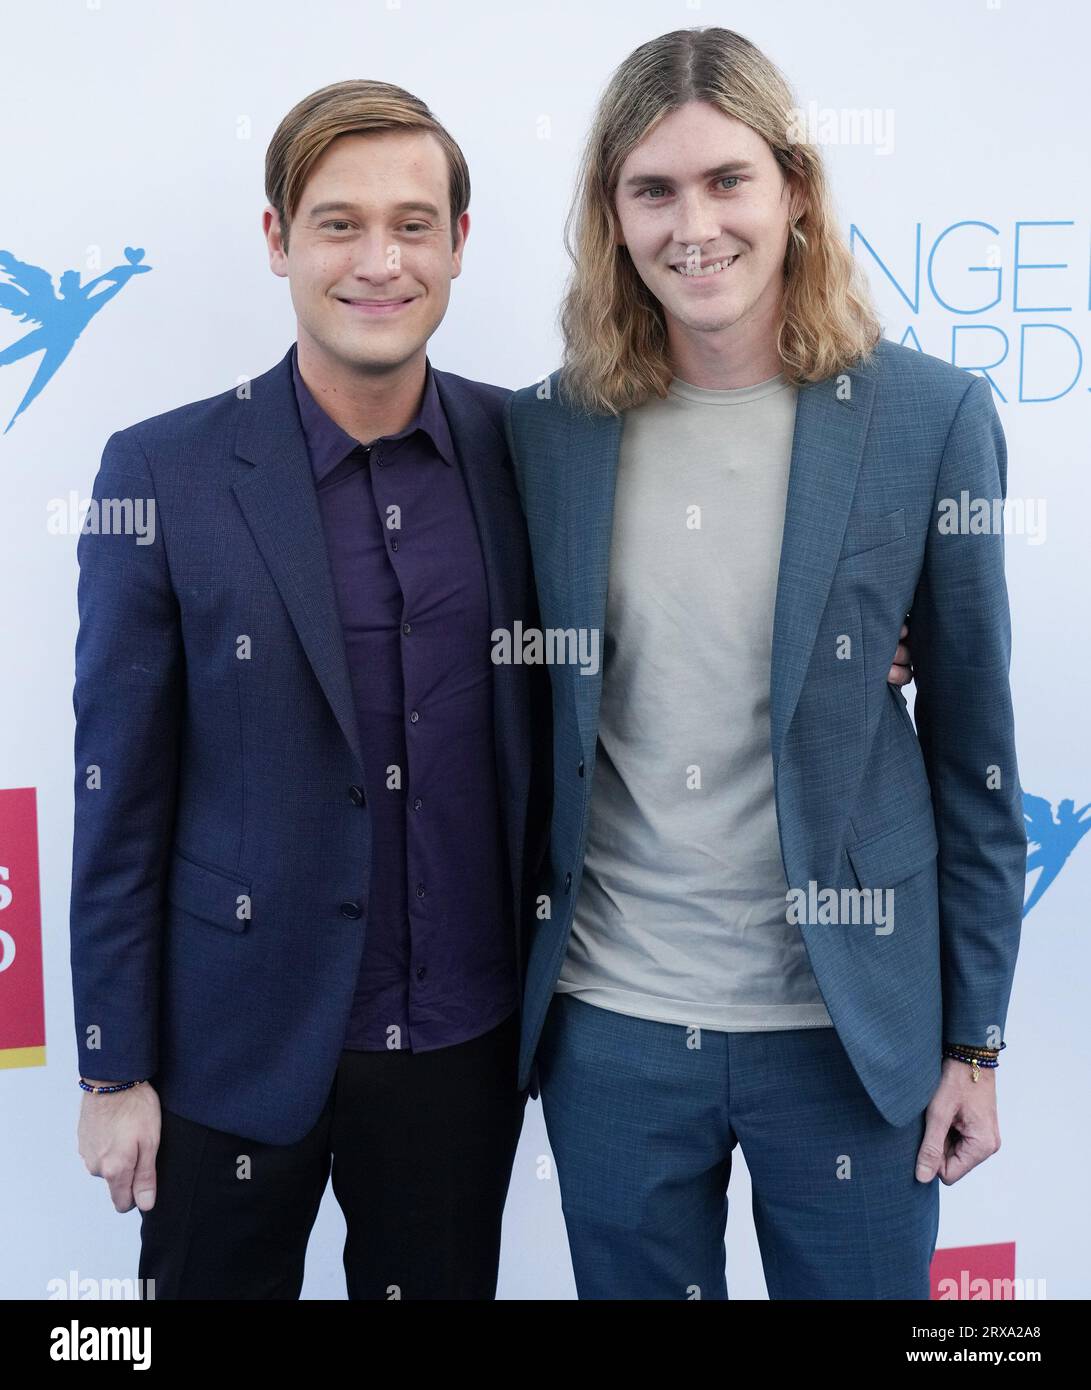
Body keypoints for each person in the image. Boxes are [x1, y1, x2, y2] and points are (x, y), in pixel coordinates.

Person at [504, 27, 1025, 1300]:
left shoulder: (927, 420)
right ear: (610, 215)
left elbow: (975, 759)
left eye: (726, 179)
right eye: (653, 189)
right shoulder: (542, 431)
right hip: (612, 1026)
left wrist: (975, 1042)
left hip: (846, 1034)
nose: (695, 225)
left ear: (794, 187)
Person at [70, 79, 551, 1300]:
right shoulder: (163, 469)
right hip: (229, 1052)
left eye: (412, 223)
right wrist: (109, 1068)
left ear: (457, 244)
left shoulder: (535, 454)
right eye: (337, 223)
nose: (377, 259)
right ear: (279, 239)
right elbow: (116, 791)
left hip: (460, 1046)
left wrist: (878, 631)